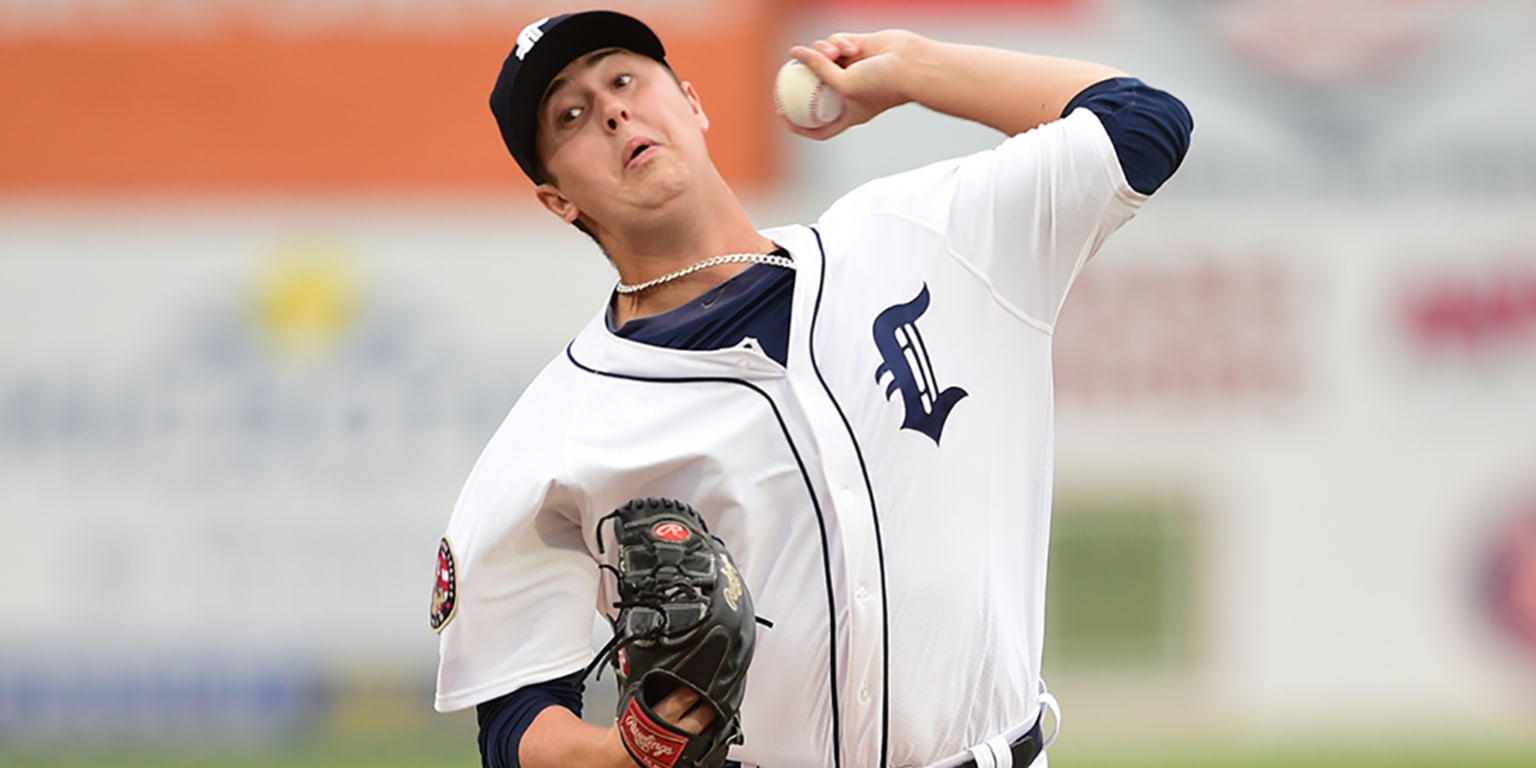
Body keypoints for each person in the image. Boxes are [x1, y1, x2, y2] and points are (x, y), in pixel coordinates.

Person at [429, 9, 1192, 768]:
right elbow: (511, 717)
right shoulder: (559, 430)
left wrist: (916, 70)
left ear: (692, 103)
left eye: (625, 79)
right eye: (571, 115)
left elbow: (1144, 124)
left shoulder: (925, 238)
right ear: (558, 200)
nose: (613, 110)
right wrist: (623, 754)